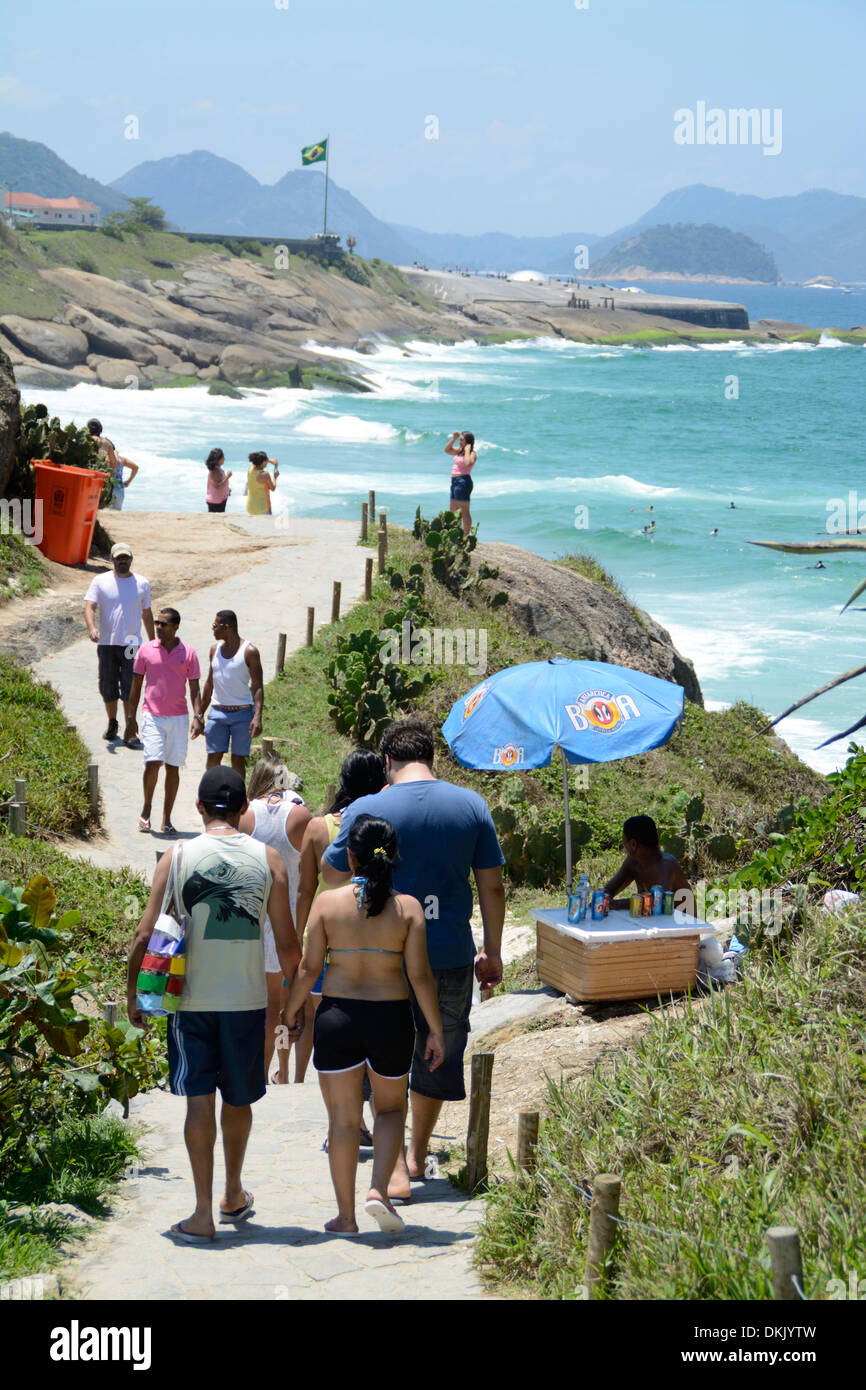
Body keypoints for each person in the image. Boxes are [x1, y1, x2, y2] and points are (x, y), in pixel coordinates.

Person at [322, 717, 505, 1202]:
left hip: (381, 958)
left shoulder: (365, 808)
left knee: (386, 1056)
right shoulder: (471, 806)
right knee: (437, 1049)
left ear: (387, 762)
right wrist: (493, 950)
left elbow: (332, 876)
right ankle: (416, 1154)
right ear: (433, 759)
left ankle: (391, 1160)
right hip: (447, 952)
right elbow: (491, 884)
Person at [126, 767, 302, 1243]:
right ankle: (232, 1192)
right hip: (247, 1003)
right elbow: (287, 944)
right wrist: (295, 1003)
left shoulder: (177, 856)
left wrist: (133, 995)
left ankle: (202, 1213)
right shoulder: (270, 860)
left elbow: (144, 934)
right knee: (240, 1098)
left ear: (199, 808)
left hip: (189, 1003)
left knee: (199, 1100)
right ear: (245, 808)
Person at [284, 814, 445, 1235]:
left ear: (350, 857)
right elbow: (420, 976)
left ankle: (346, 1217)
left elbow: (308, 968)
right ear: (393, 858)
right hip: (390, 1017)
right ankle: (378, 1191)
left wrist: (290, 1012)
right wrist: (435, 1029)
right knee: (391, 1108)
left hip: (337, 1017)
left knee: (342, 1119)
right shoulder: (407, 909)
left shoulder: (327, 903)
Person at [289, 750, 388, 1090]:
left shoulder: (319, 828)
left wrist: (297, 937)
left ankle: (302, 1083)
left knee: (318, 1016)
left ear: (344, 781)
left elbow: (304, 891)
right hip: (373, 939)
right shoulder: (384, 828)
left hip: (323, 937)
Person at [237, 755, 311, 1082]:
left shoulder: (246, 814)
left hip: (252, 916)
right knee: (284, 1005)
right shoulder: (299, 814)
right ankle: (283, 1070)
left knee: (265, 1005)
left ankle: (262, 1070)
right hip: (289, 920)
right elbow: (309, 875)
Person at [128, 607, 201, 834]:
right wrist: (130, 718)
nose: (158, 627)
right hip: (152, 715)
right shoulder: (146, 650)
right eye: (157, 623)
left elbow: (195, 687)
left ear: (176, 626)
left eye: (164, 624)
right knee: (152, 762)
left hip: (179, 718)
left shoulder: (188, 653)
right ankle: (146, 810)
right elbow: (136, 685)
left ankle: (167, 819)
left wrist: (198, 716)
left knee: (173, 767)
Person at [84, 542, 154, 744]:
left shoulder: (142, 583)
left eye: (126, 557)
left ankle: (130, 729)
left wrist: (153, 642)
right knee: (107, 684)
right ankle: (113, 722)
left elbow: (147, 613)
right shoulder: (100, 581)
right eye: (118, 558)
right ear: (112, 559)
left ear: (131, 559)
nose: (122, 561)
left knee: (130, 685)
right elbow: (90, 606)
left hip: (132, 642)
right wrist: (92, 628)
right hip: (106, 643)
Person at [193, 610, 264, 779]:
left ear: (226, 627)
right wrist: (199, 715)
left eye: (215, 626)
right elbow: (210, 683)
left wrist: (257, 716)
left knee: (238, 760)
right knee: (213, 758)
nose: (213, 629)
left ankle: (238, 799)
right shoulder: (214, 650)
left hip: (242, 713)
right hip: (218, 712)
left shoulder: (249, 651)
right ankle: (211, 794)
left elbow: (257, 685)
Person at [601, 815, 692, 909]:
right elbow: (609, 890)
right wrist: (601, 899)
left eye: (623, 841)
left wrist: (614, 904)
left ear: (633, 844)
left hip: (681, 921)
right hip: (654, 920)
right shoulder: (632, 862)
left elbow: (657, 902)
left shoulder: (667, 865)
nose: (623, 846)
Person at [87, 418, 138, 511]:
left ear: (88, 429)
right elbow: (115, 465)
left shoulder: (85, 439)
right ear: (100, 430)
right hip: (110, 486)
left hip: (88, 480)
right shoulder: (107, 443)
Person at [445, 429, 477, 538]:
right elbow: (447, 450)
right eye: (460, 440)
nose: (460, 442)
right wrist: (453, 438)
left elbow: (468, 464)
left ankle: (465, 536)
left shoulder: (472, 453)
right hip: (454, 481)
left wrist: (468, 450)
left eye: (462, 440)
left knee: (464, 511)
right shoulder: (459, 450)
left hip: (463, 482)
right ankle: (455, 535)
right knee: (453, 510)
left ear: (468, 442)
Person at [246, 451, 279, 516]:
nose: (267, 462)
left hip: (251, 506)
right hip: (262, 508)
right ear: (263, 462)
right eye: (266, 460)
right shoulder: (265, 475)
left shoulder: (250, 469)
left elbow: (258, 460)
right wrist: (275, 478)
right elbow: (272, 488)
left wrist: (268, 460)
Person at [205, 448, 232, 513]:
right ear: (218, 459)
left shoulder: (217, 469)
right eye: (223, 458)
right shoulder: (215, 471)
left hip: (218, 499)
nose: (224, 459)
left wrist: (227, 489)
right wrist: (228, 477)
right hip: (216, 501)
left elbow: (220, 484)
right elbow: (217, 486)